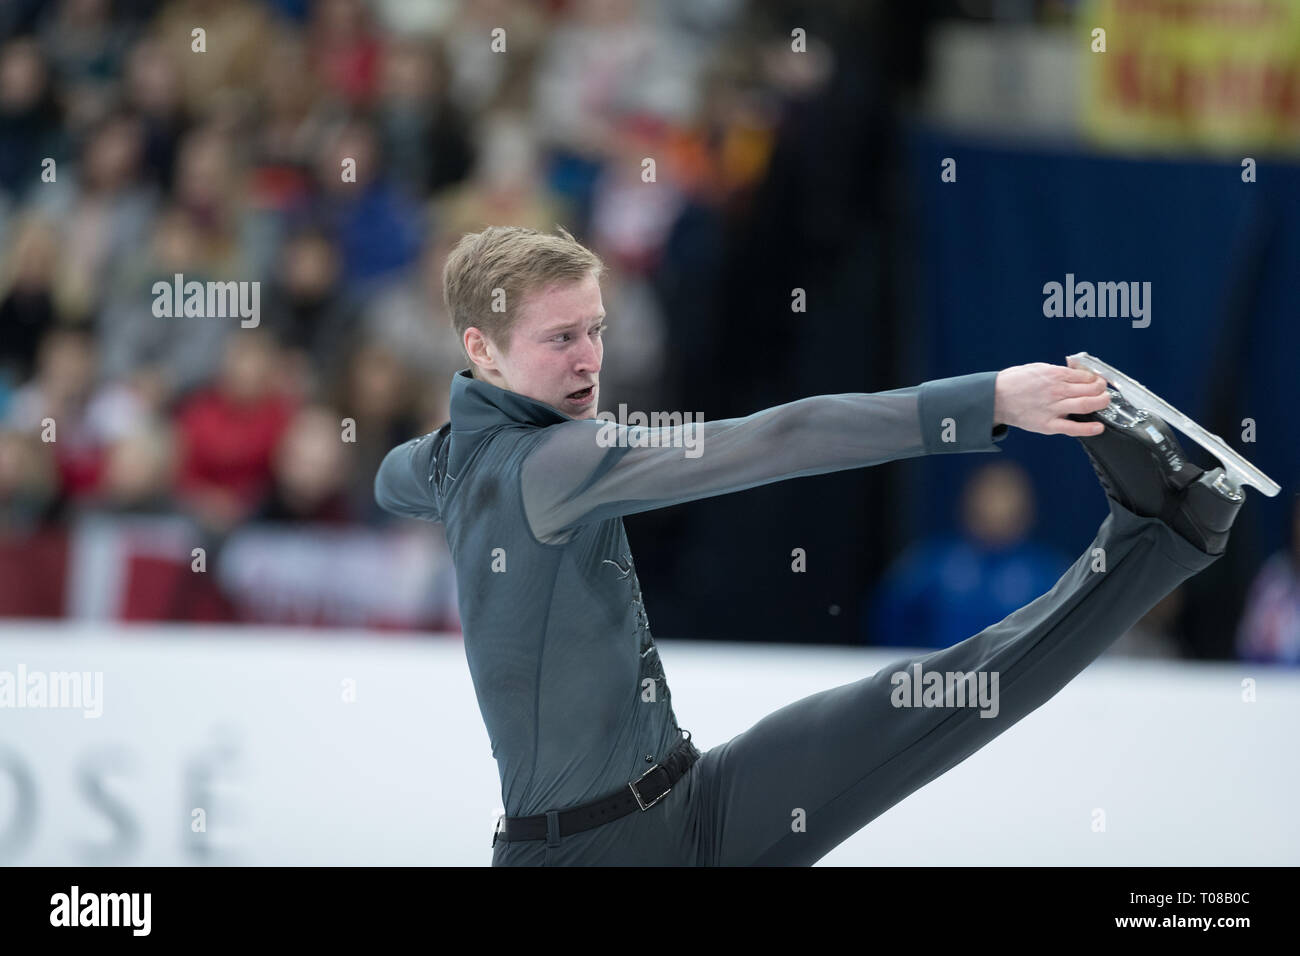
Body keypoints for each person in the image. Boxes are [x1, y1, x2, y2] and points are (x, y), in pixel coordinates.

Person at [374, 225, 1248, 866]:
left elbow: (390, 476)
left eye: (596, 328)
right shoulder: (558, 460)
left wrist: (448, 456)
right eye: (561, 339)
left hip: (697, 799)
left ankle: (1162, 536)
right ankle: (1162, 538)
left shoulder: (455, 460)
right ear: (481, 349)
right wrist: (989, 400)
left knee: (940, 694)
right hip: (591, 854)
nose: (590, 360)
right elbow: (780, 439)